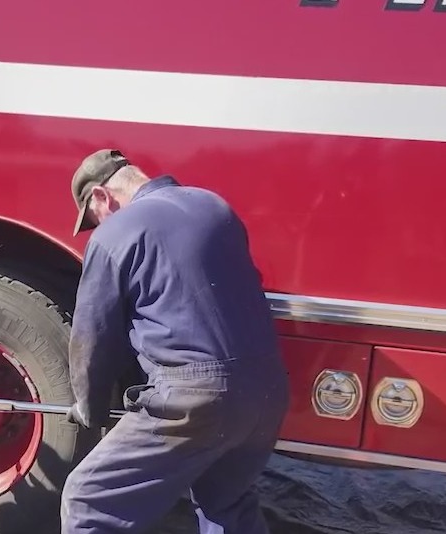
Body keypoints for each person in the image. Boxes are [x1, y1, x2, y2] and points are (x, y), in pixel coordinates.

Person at [60, 149, 290, 533]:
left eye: (93, 216)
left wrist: (89, 406)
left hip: (195, 397)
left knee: (88, 500)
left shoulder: (117, 232)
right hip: (267, 392)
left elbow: (93, 337)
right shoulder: (213, 205)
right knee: (226, 505)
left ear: (101, 196)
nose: (97, 224)